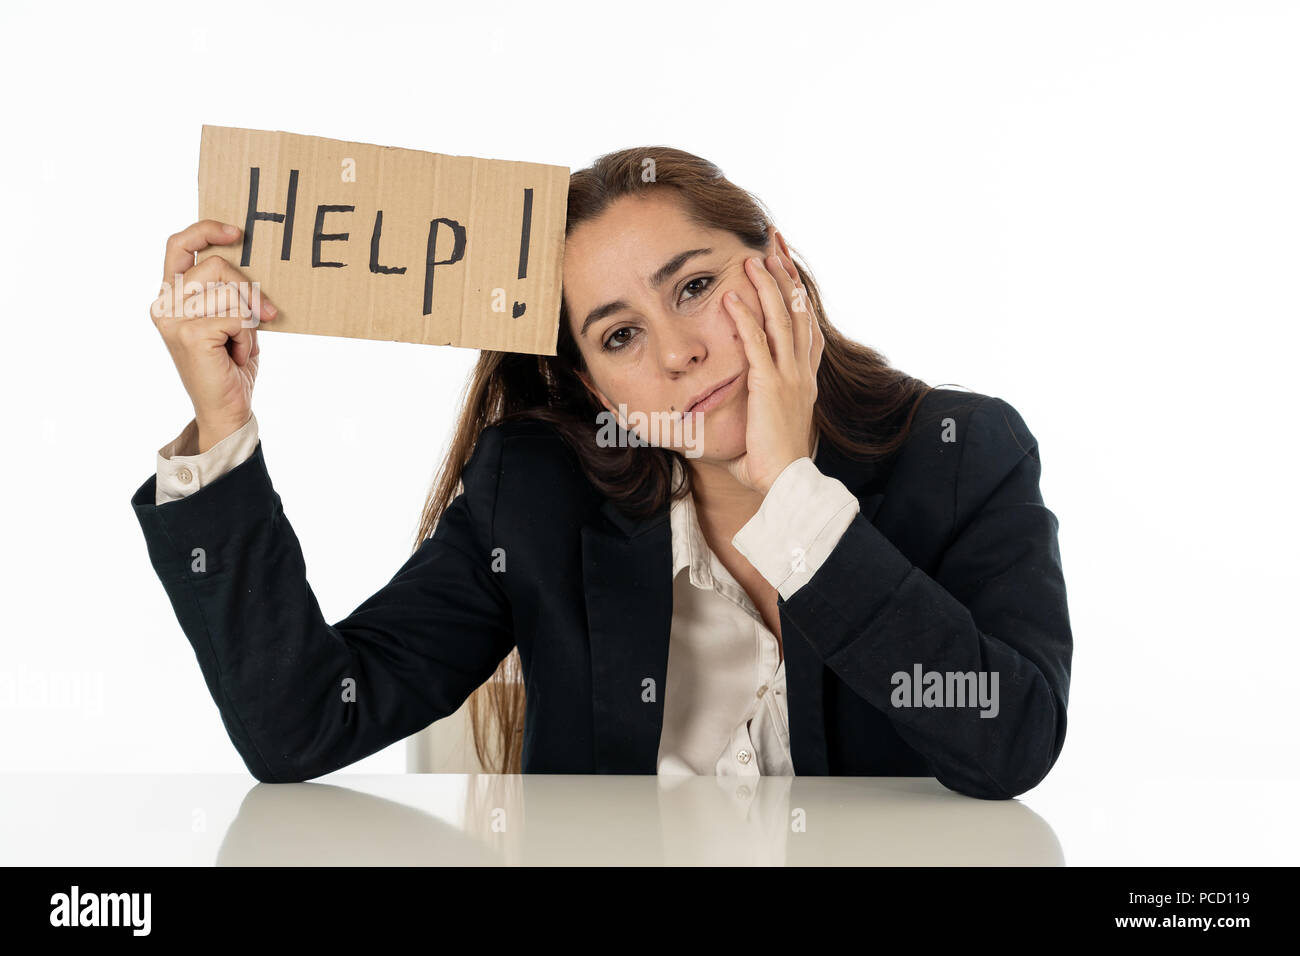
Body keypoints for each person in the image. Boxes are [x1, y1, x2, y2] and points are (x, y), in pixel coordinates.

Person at [133, 146, 1072, 799]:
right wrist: (222, 421)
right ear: (593, 383)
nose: (677, 354)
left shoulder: (962, 457)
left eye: (694, 287)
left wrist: (795, 497)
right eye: (620, 334)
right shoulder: (537, 497)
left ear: (779, 267)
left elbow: (1011, 741)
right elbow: (301, 725)